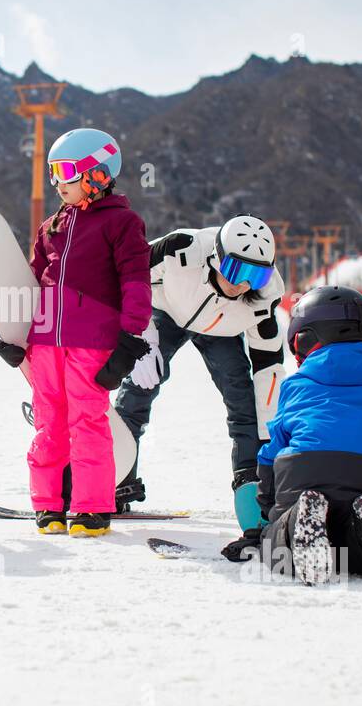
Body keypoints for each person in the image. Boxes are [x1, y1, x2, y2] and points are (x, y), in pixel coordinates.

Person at [0, 128, 151, 537]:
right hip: (45, 342)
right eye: (53, 172)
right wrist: (15, 337)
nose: (57, 182)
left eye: (65, 171)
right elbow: (30, 284)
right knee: (49, 424)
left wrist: (129, 341)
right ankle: (47, 506)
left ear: (98, 174)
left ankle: (91, 507)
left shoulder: (122, 223)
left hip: (92, 343)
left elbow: (135, 283)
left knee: (88, 423)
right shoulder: (51, 227)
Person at [221, 286, 362, 585]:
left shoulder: (295, 385)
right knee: (353, 550)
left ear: (307, 339)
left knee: (276, 542)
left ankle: (298, 516)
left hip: (305, 469)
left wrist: (268, 509)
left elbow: (272, 449)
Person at [114, 215, 285, 503]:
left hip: (223, 328)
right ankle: (117, 474)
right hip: (165, 311)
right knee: (139, 388)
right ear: (217, 257)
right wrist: (143, 335)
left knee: (242, 397)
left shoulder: (264, 298)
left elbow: (269, 369)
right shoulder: (180, 249)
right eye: (234, 268)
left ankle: (249, 476)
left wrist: (268, 437)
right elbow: (126, 277)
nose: (242, 283)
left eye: (255, 276)